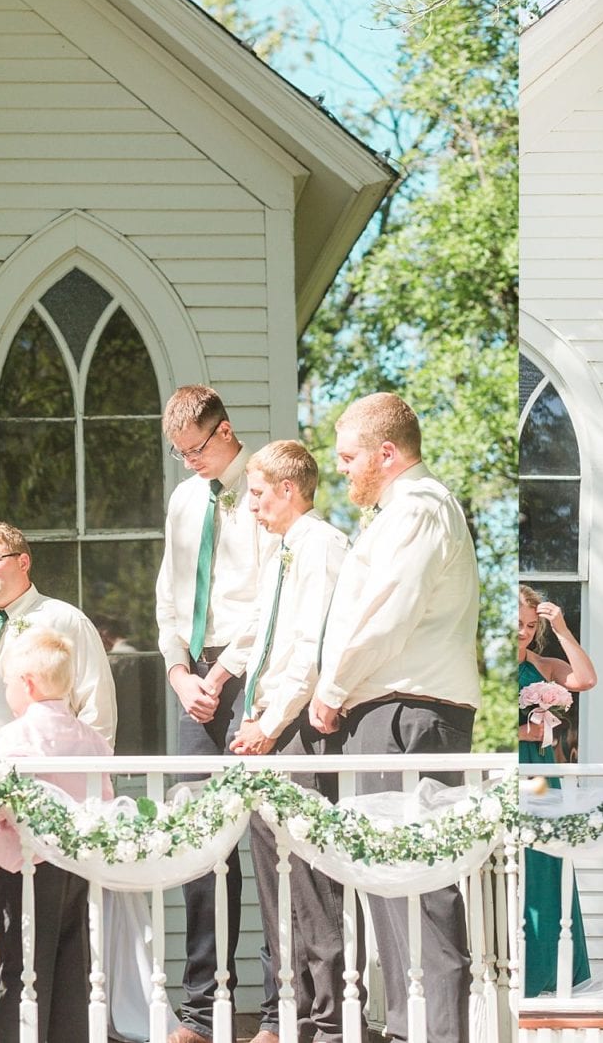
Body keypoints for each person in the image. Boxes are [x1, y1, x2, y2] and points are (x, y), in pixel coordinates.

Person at [308, 393, 481, 1043]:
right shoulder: (396, 513)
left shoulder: (420, 508)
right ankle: (412, 1030)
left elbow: (386, 614)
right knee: (387, 880)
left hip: (409, 715)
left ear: (386, 453)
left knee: (420, 884)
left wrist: (331, 689)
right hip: (387, 712)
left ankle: (439, 1034)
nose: (341, 468)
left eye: (348, 457)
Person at [0, 522, 117, 1042]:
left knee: (30, 933)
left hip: (37, 809)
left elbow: (96, 713)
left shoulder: (63, 620)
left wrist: (73, 799)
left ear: (23, 561)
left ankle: (30, 1029)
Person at [222, 440, 356, 1043]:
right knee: (275, 883)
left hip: (296, 731)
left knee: (310, 881)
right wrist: (227, 686)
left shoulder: (321, 544)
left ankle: (331, 1023)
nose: (251, 506)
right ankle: (289, 1017)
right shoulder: (282, 551)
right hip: (264, 729)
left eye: (257, 494)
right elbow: (262, 634)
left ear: (288, 489)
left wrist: (270, 725)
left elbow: (310, 648)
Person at [155, 385, 277, 1043]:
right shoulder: (183, 500)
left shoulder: (264, 489)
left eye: (196, 448)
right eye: (181, 453)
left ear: (225, 431)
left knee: (270, 841)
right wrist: (179, 672)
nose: (190, 461)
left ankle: (279, 1010)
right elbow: (169, 595)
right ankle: (203, 1012)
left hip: (252, 674)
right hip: (194, 682)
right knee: (202, 845)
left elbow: (271, 599)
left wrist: (224, 671)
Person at [0, 628, 115, 1043]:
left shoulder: (14, 737)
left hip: (29, 865)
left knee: (25, 965)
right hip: (78, 865)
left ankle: (18, 1036)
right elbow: (105, 798)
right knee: (72, 964)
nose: (7, 691)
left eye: (8, 683)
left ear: (27, 684)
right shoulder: (92, 739)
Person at [517, 586, 597, 997]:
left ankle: (549, 970)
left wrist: (562, 629)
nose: (524, 632)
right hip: (511, 766)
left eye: (531, 626)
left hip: (541, 773)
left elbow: (586, 679)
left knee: (546, 861)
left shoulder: (541, 665)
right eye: (517, 624)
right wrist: (522, 730)